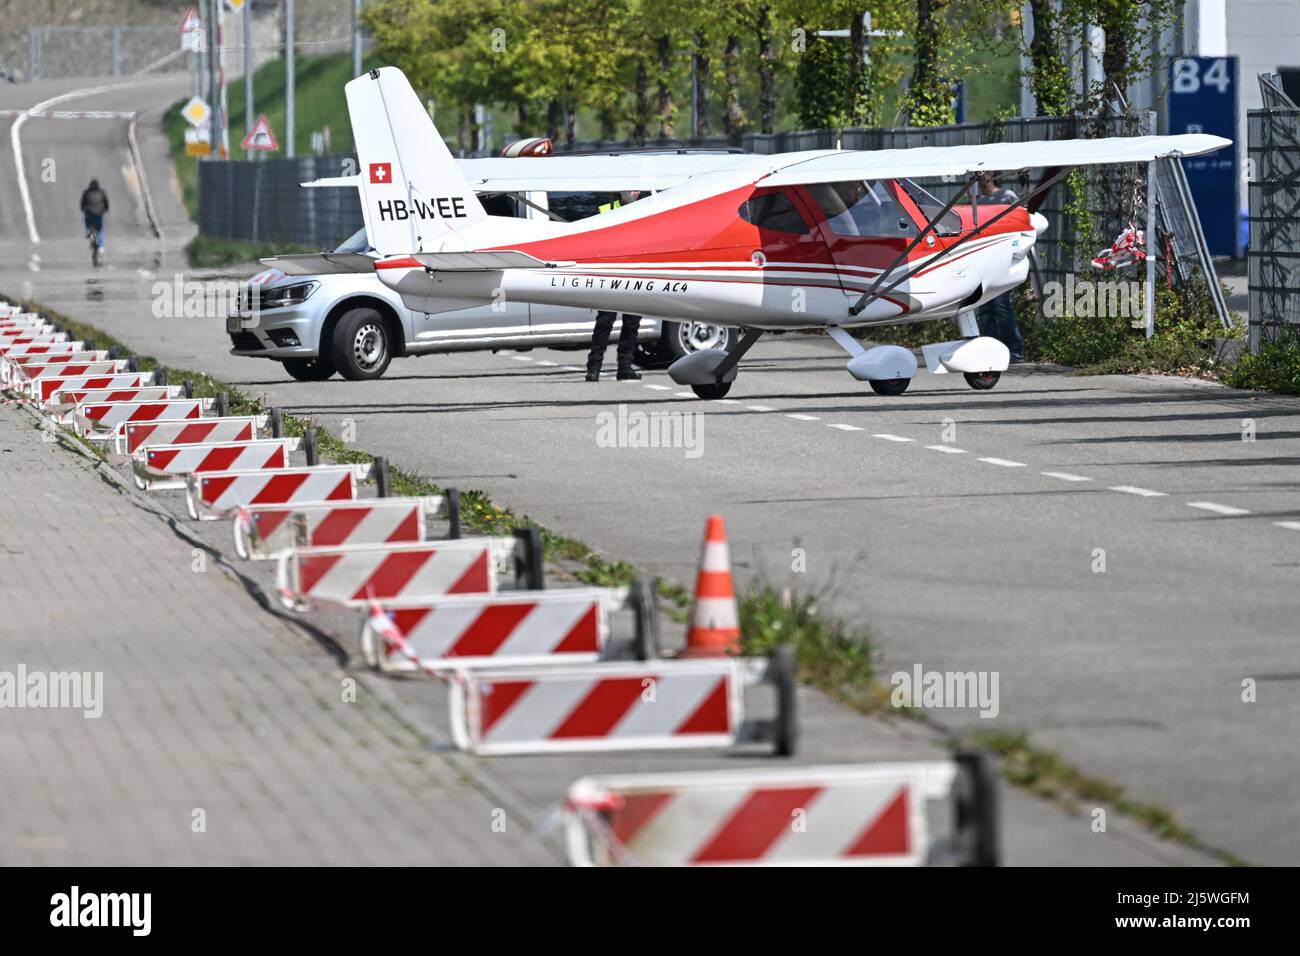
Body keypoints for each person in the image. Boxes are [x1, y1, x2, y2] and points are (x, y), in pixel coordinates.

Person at [587, 190, 644, 381]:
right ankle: (593, 368)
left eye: (637, 190)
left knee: (632, 324)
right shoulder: (607, 209)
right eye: (631, 189)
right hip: (612, 273)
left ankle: (625, 367)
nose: (634, 193)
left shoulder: (645, 211)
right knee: (604, 322)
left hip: (634, 274)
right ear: (620, 190)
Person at [974, 173, 1023, 362]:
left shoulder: (1007, 196)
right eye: (978, 178)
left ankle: (1014, 350)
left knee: (1002, 306)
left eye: (984, 176)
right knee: (984, 307)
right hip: (981, 260)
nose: (981, 180)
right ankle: (991, 350)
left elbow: (1019, 220)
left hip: (1001, 257)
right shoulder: (977, 201)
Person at [80, 179, 109, 256]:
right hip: (99, 214)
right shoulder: (102, 192)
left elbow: (82, 202)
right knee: (100, 230)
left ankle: (90, 234)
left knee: (88, 225)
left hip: (89, 213)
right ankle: (101, 248)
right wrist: (106, 209)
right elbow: (106, 202)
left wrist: (83, 208)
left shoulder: (86, 193)